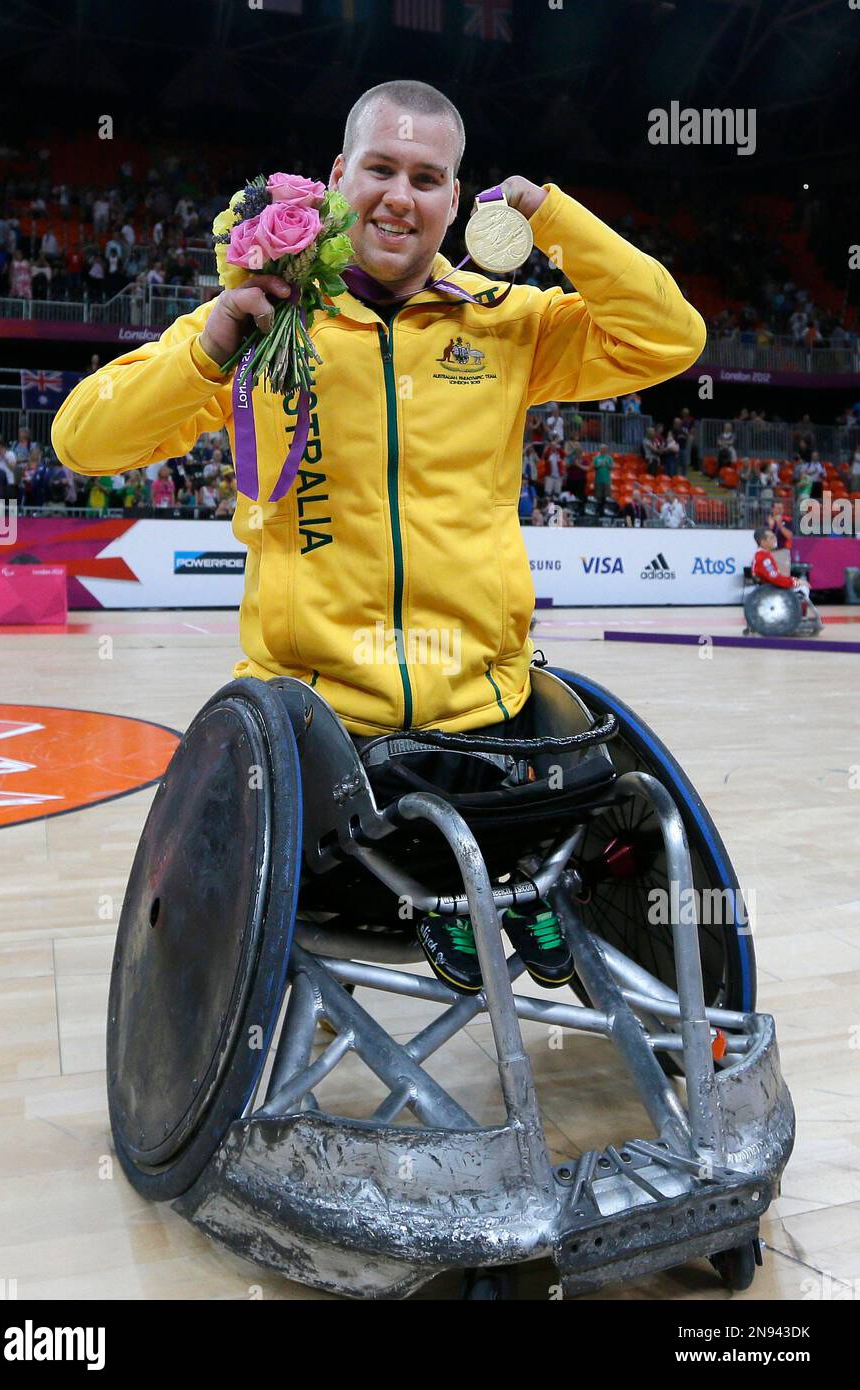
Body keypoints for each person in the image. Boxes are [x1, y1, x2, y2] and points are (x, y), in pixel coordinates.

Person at [51, 78, 705, 996]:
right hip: (319, 735)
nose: (402, 196)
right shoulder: (266, 324)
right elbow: (83, 440)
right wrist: (208, 347)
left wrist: (551, 218)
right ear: (336, 178)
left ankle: (501, 885)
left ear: (454, 198)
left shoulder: (508, 324)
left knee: (536, 786)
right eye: (382, 169)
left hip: (487, 725)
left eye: (427, 179)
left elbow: (670, 338)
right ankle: (449, 898)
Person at [592, 446, 614, 510]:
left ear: (606, 449)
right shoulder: (596, 458)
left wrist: (607, 463)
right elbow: (594, 467)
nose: (602, 449)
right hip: (598, 480)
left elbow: (611, 468)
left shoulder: (609, 458)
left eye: (604, 448)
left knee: (607, 497)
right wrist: (600, 464)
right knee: (598, 497)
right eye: (601, 448)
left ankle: (606, 510)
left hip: (607, 481)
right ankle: (598, 510)